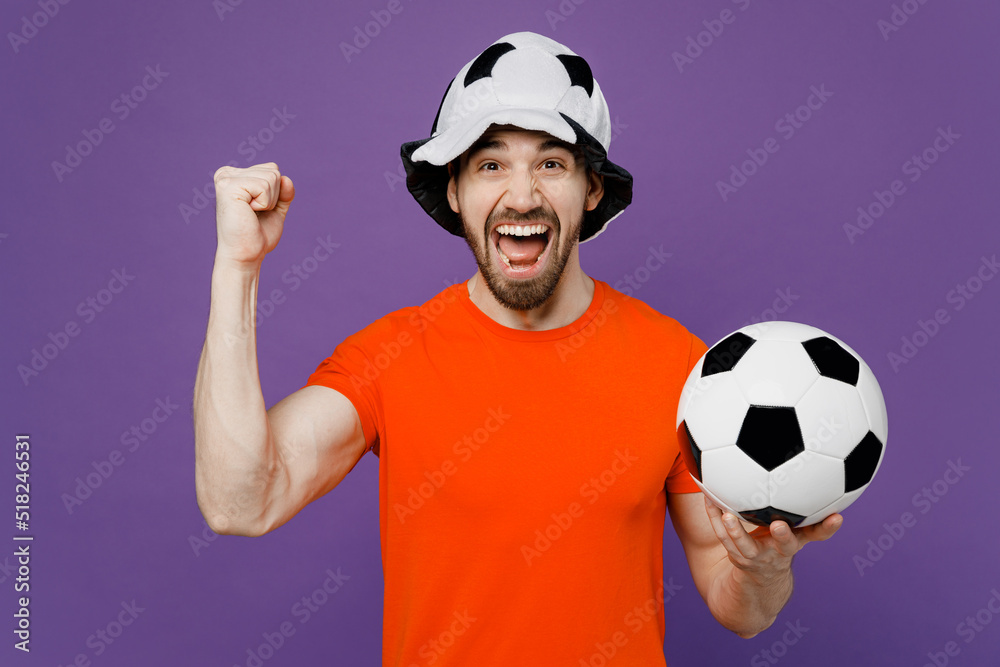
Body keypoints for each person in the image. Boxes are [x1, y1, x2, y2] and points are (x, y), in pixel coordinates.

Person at [194, 31, 842, 665]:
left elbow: (741, 610)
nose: (523, 194)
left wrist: (766, 567)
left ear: (591, 190)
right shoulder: (391, 357)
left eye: (552, 162)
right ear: (454, 191)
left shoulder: (679, 365)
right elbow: (240, 501)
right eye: (491, 163)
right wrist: (237, 267)